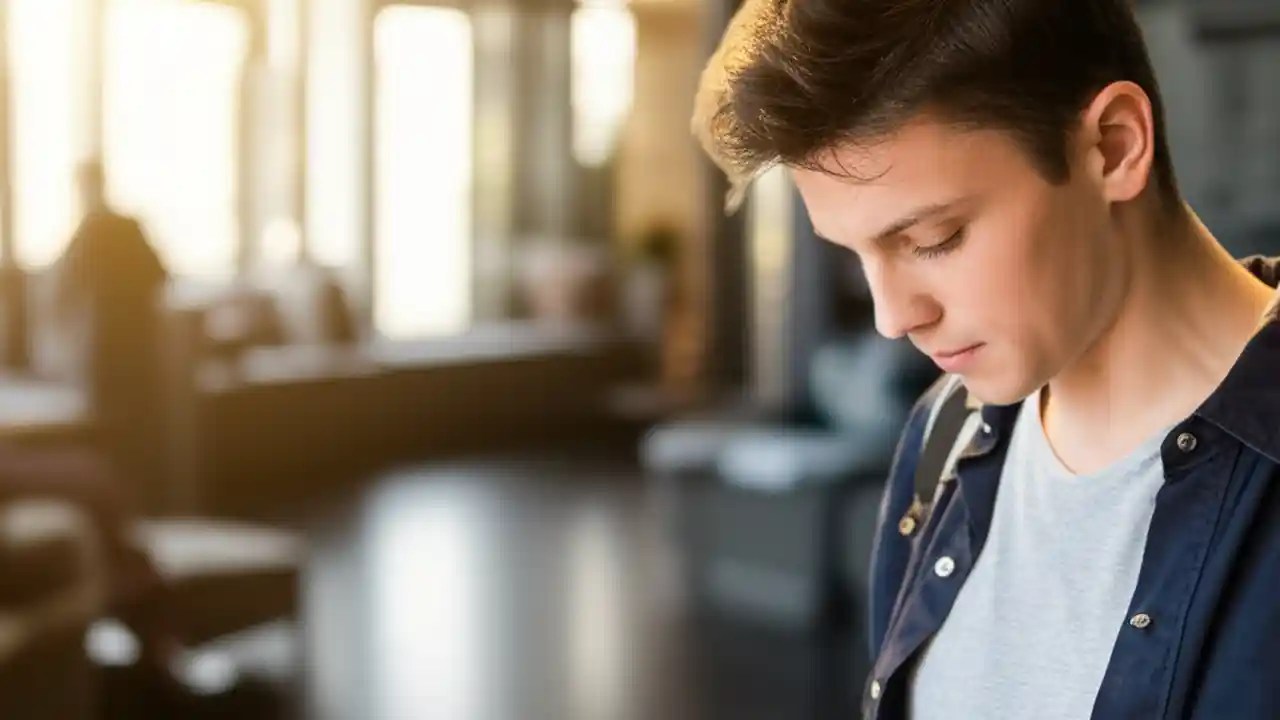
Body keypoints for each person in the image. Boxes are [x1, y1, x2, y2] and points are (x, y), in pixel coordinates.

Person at [694, 1, 1280, 719]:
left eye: (934, 238)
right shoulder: (941, 435)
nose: (893, 318)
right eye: (856, 254)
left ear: (1114, 146)